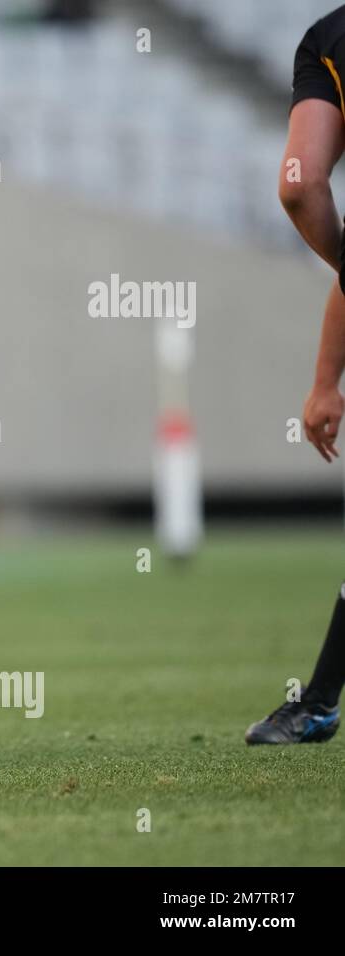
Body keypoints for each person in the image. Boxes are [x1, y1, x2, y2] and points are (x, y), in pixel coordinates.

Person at [246, 5, 345, 744]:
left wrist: (323, 383)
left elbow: (299, 185)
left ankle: (316, 702)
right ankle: (316, 700)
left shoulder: (329, 38)